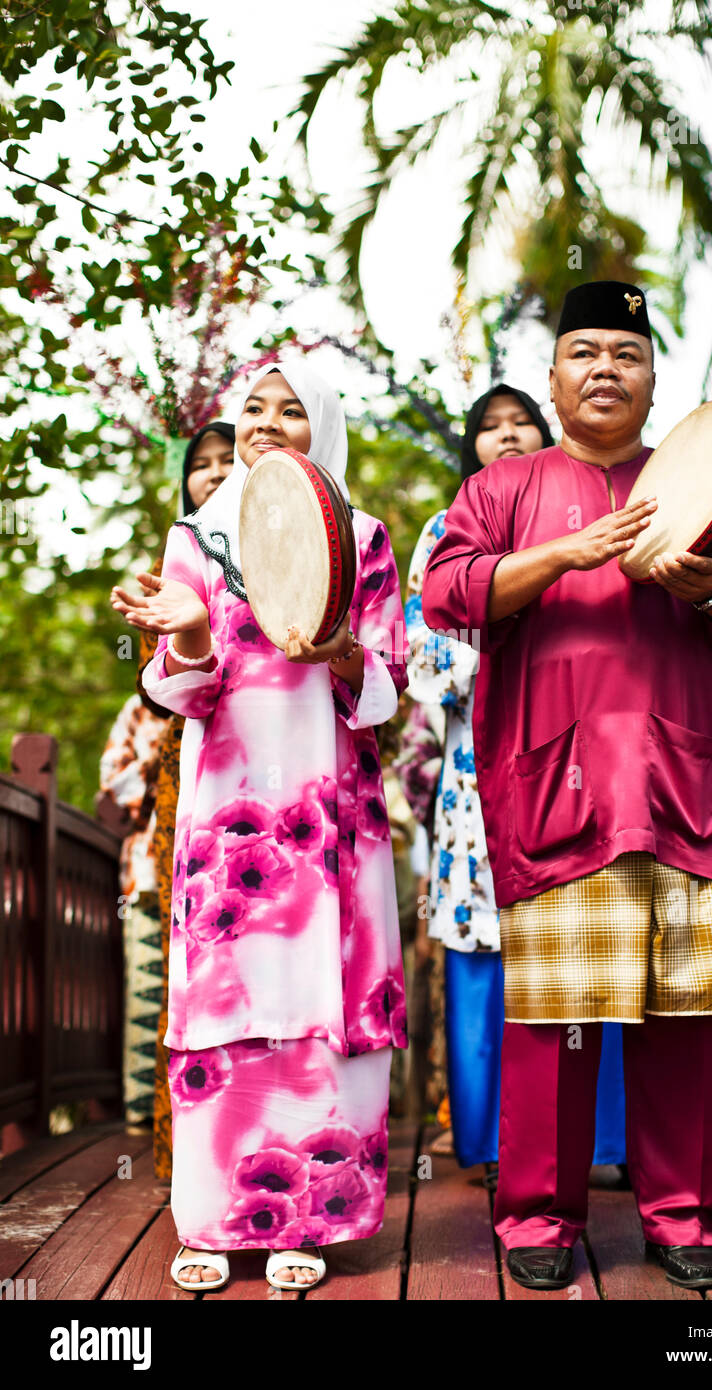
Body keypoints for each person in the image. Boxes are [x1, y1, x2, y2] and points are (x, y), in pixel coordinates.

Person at [421, 281, 712, 1292]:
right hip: (556, 794)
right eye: (581, 352)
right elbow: (446, 590)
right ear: (553, 376)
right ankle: (537, 1219)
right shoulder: (505, 488)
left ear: (650, 378)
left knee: (685, 1019)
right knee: (551, 1019)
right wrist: (563, 553)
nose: (602, 370)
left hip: (680, 791)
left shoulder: (702, 483)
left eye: (623, 355)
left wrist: (706, 585)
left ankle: (682, 1216)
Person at [112, 356, 408, 1293]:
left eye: (290, 410)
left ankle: (309, 1220)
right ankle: (212, 1216)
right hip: (229, 814)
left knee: (327, 1001)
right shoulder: (194, 538)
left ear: (320, 426)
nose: (267, 424)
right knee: (224, 1001)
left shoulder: (362, 538)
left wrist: (343, 651)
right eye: (252, 409)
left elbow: (386, 690)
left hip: (331, 813)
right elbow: (181, 689)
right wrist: (191, 638)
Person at [407, 384, 627, 1188]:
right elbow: (424, 657)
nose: (505, 438)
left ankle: (608, 1143)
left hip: (584, 760)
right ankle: (496, 1144)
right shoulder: (445, 532)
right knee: (483, 954)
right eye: (488, 429)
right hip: (481, 773)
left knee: (592, 939)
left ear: (545, 431)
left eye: (519, 424)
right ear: (471, 451)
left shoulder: (586, 518)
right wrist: (505, 625)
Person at [137, 421, 236, 1180]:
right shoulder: (176, 567)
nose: (211, 473)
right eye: (198, 466)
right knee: (196, 967)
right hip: (189, 780)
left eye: (224, 460)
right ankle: (185, 1155)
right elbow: (164, 687)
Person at [98, 693, 169, 1124]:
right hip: (146, 870)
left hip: (211, 876)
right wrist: (159, 758)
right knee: (146, 987)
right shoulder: (139, 708)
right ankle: (143, 1115)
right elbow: (111, 787)